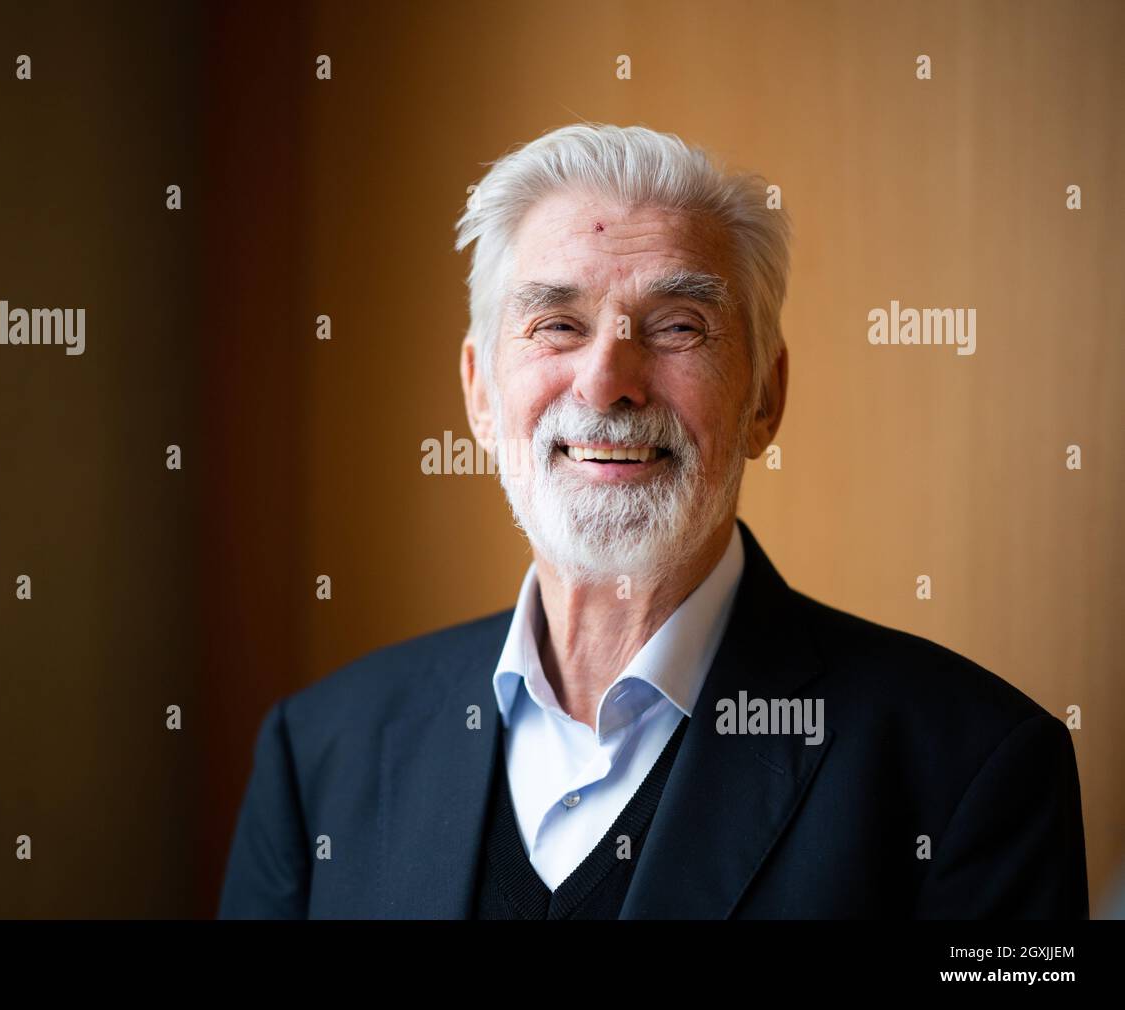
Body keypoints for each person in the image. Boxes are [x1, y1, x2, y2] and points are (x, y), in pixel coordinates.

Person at [218, 123, 1088, 918]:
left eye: (678, 327)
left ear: (765, 397)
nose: (608, 381)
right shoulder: (318, 755)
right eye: (557, 323)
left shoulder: (973, 768)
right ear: (480, 394)